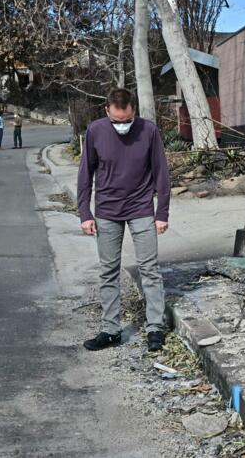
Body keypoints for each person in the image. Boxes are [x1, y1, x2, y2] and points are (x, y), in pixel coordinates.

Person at [77, 88, 170, 352]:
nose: (122, 126)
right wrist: (85, 213)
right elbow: (85, 175)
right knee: (108, 271)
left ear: (134, 112)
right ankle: (110, 330)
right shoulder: (95, 131)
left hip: (141, 209)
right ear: (107, 112)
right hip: (106, 211)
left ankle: (155, 328)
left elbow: (161, 172)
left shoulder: (148, 131)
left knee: (150, 270)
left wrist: (162, 212)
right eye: (117, 121)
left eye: (127, 120)